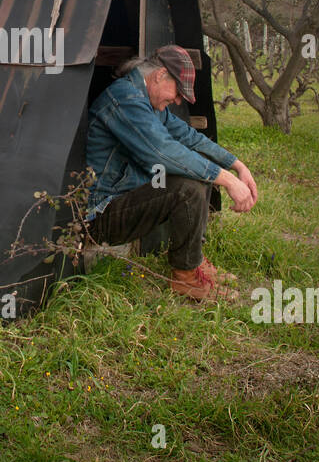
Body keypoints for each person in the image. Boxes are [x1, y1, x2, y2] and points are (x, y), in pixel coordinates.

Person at [83, 44, 257, 302]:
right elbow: (161, 151)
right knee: (187, 187)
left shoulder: (147, 101)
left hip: (127, 201)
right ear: (160, 75)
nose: (177, 101)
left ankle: (194, 262)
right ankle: (185, 278)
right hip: (102, 215)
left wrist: (236, 165)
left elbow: (188, 137)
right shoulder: (125, 100)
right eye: (178, 92)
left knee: (199, 164)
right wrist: (227, 179)